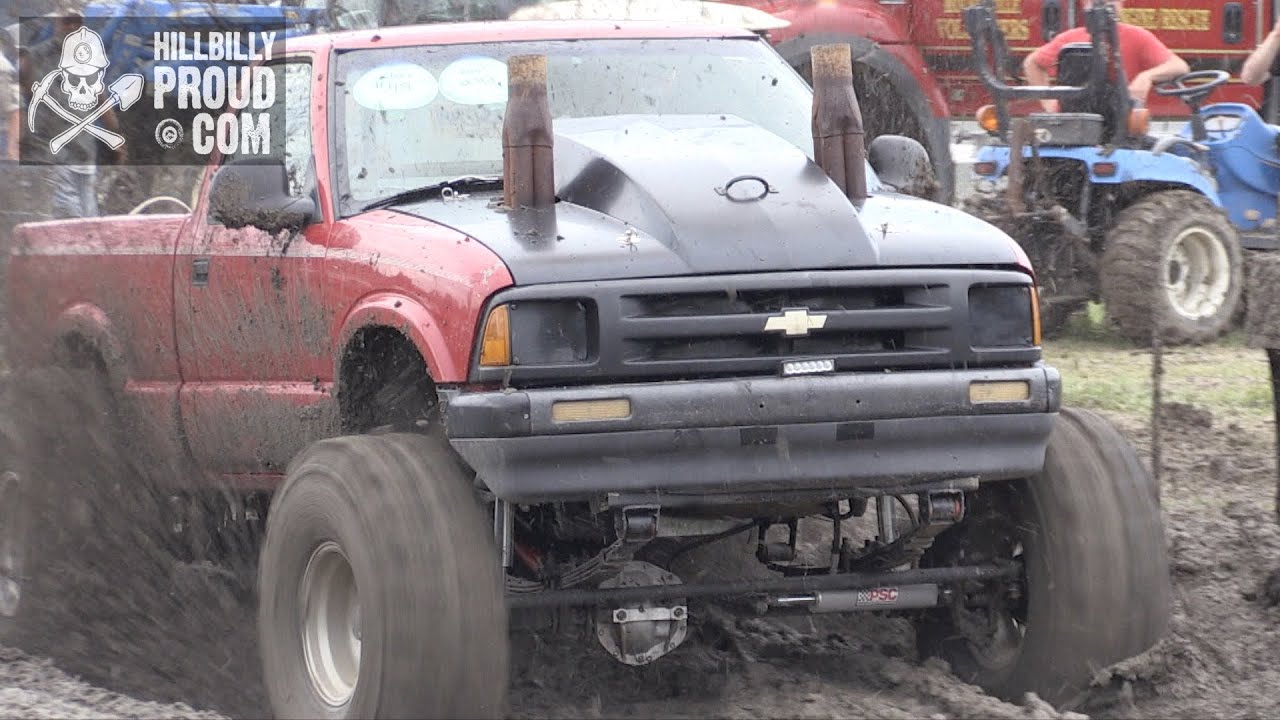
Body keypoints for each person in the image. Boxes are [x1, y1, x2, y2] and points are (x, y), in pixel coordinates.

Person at [18, 8, 125, 219]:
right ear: (57, 24)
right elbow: (19, 98)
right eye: (67, 22)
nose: (72, 27)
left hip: (84, 152)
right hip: (52, 151)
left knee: (88, 212)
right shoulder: (36, 57)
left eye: (77, 23)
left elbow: (101, 100)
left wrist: (116, 137)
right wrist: (20, 140)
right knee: (67, 210)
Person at [1022, 0, 1190, 113]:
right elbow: (1032, 63)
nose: (1104, 4)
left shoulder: (1137, 36)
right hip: (1072, 124)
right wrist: (1048, 103)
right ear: (1085, 3)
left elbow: (1179, 66)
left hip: (1121, 124)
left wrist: (1146, 77)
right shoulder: (1069, 38)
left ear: (1122, 3)